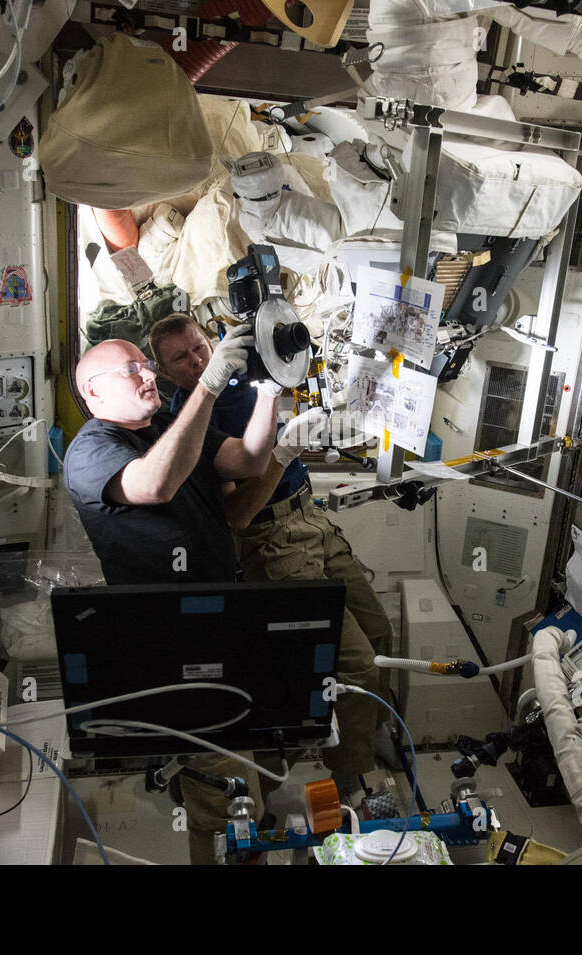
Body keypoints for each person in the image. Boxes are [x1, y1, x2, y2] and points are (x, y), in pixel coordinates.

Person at [149, 314, 394, 805]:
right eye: (182, 358)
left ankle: (369, 733)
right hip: (271, 539)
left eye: (200, 347)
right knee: (357, 665)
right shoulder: (193, 422)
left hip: (312, 518)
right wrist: (283, 452)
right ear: (165, 372)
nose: (198, 361)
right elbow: (237, 514)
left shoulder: (244, 377)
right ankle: (350, 779)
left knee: (381, 634)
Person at [63, 334, 278, 863]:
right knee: (229, 796)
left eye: (145, 365)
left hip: (217, 617)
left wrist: (273, 393)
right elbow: (156, 484)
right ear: (93, 392)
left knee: (240, 767)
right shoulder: (91, 451)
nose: (148, 375)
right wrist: (207, 387)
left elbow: (247, 460)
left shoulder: (167, 425)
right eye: (131, 369)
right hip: (168, 639)